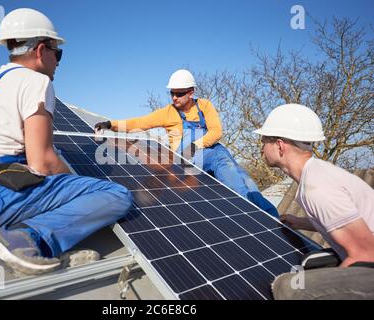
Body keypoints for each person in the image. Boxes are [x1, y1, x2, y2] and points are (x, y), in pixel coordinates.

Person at [0, 8, 133, 275]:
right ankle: (24, 239)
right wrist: (73, 183)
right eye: (57, 53)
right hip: (0, 200)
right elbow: (43, 163)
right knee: (117, 195)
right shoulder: (36, 81)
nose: (58, 61)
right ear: (40, 50)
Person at [95, 69, 278, 217]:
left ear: (191, 93)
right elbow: (139, 123)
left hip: (208, 151)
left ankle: (275, 220)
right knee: (223, 162)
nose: (174, 97)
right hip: (185, 159)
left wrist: (197, 144)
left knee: (245, 179)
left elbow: (216, 132)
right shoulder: (167, 112)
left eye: (179, 93)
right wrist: (110, 124)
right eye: (172, 93)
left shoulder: (204, 106)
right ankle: (248, 209)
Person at [254, 103, 374, 299]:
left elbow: (366, 255)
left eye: (264, 141)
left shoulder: (317, 187)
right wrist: (300, 222)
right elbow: (342, 221)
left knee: (289, 286)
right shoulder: (317, 174)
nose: (261, 148)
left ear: (279, 146)